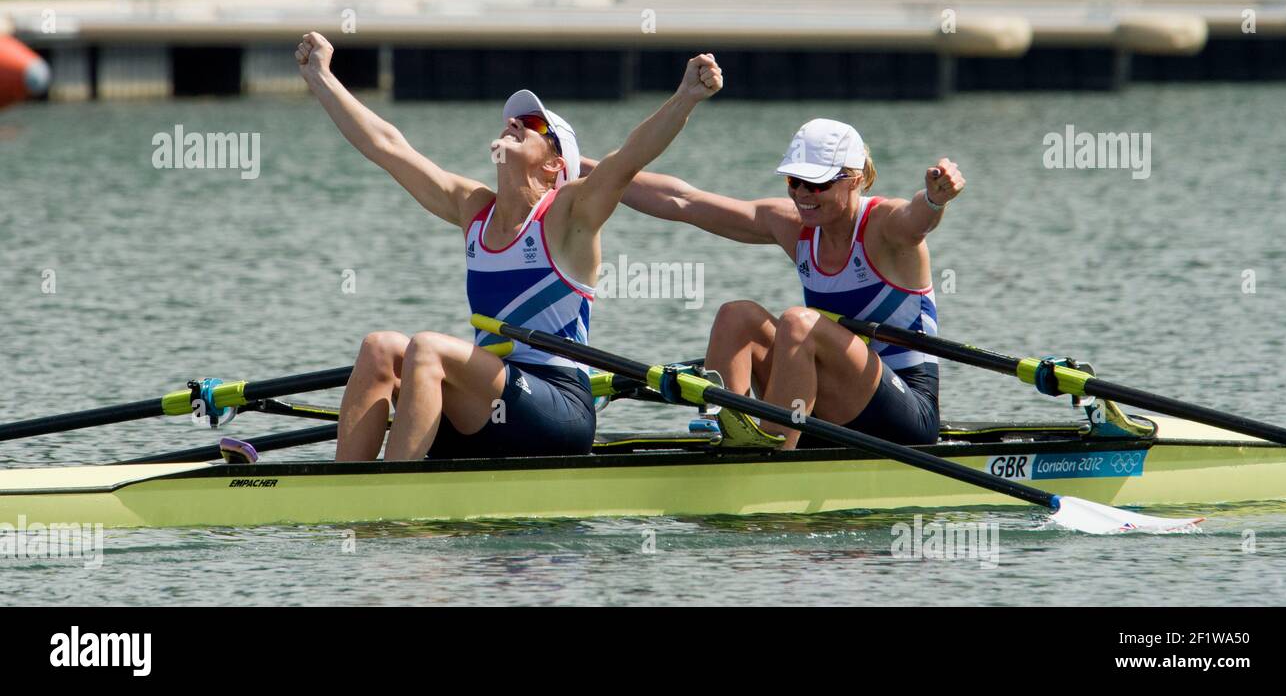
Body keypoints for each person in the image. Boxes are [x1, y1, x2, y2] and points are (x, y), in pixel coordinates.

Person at [295, 31, 723, 460]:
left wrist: (685, 96)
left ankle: (394, 507)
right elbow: (387, 147)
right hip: (489, 403)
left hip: (558, 407)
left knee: (426, 346)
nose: (514, 121)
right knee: (379, 348)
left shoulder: (570, 215)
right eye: (513, 118)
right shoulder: (472, 208)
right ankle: (346, 497)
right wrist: (321, 78)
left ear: (557, 164)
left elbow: (629, 157)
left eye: (533, 124)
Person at [587, 118, 963, 448]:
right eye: (794, 181)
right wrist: (581, 169)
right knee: (738, 316)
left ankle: (772, 452)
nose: (801, 194)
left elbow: (916, 220)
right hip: (825, 402)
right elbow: (684, 201)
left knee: (800, 323)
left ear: (856, 179)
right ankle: (730, 430)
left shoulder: (884, 226)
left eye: (816, 185)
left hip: (906, 412)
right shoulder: (793, 225)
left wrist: (933, 200)